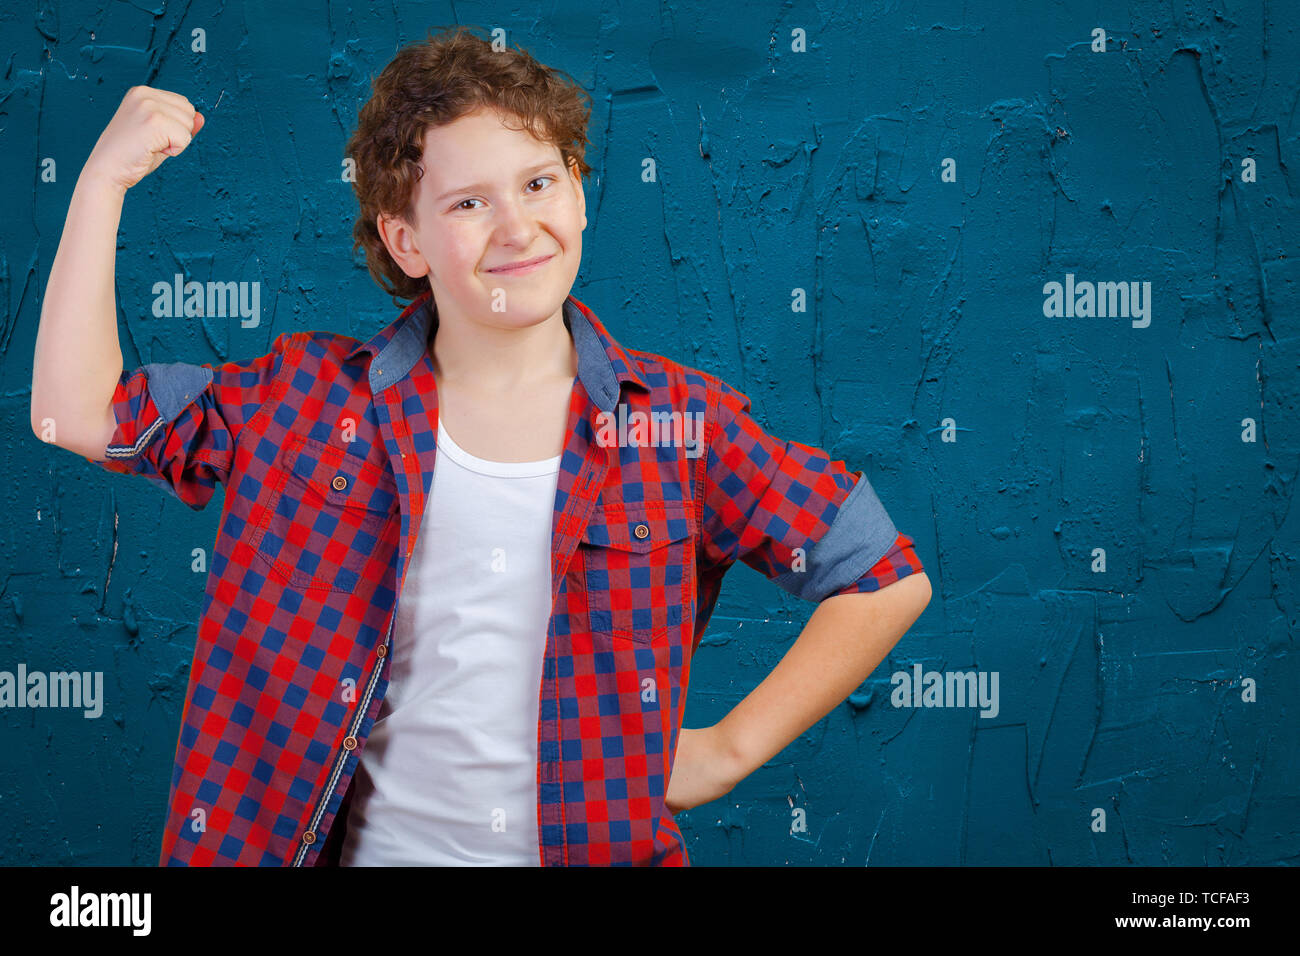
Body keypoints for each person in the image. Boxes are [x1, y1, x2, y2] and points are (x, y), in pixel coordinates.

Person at [30, 24, 931, 866]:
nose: (515, 226)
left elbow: (881, 571)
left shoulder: (680, 427)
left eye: (539, 182)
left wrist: (728, 751)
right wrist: (100, 185)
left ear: (578, 194)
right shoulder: (303, 398)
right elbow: (74, 415)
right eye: (468, 201)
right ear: (405, 239)